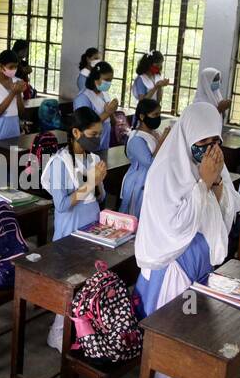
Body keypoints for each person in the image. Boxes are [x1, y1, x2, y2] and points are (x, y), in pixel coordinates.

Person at [134, 102, 240, 378]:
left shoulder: (213, 167)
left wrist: (218, 188)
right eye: (203, 145)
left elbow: (230, 210)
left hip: (197, 264)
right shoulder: (164, 173)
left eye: (216, 143)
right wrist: (203, 185)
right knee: (170, 331)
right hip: (171, 266)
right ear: (186, 140)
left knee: (190, 329)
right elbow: (173, 227)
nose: (211, 152)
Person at [41, 108, 107, 350]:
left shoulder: (92, 158)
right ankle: (57, 332)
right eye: (92, 134)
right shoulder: (60, 163)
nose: (96, 139)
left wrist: (97, 184)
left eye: (99, 134)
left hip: (92, 225)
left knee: (87, 282)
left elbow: (99, 197)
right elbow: (61, 204)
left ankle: (81, 327)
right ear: (76, 132)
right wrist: (91, 182)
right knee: (69, 285)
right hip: (70, 229)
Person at [120, 97, 168, 217]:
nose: (158, 117)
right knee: (137, 216)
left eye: (159, 114)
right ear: (142, 117)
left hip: (153, 179)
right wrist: (162, 142)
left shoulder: (154, 132)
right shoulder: (136, 139)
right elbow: (150, 163)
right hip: (139, 182)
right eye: (155, 114)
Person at [72, 60, 118, 153]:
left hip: (104, 144)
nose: (109, 83)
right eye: (106, 80)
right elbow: (84, 125)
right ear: (95, 79)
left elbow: (112, 122)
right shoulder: (83, 98)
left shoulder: (104, 94)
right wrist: (107, 112)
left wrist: (112, 111)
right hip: (89, 145)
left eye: (110, 80)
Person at [0, 49, 28, 143]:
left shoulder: (17, 82)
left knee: (12, 155)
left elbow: (21, 112)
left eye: (15, 67)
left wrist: (19, 93)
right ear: (1, 66)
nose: (13, 70)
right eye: (11, 67)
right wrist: (13, 93)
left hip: (14, 129)